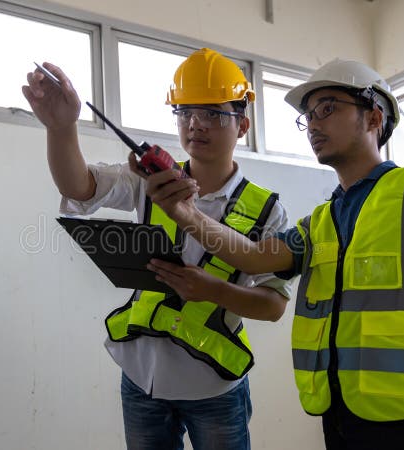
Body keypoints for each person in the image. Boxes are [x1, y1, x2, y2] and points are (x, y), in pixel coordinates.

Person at [139, 59, 404, 449]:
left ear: (374, 117)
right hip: (340, 408)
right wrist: (184, 212)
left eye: (328, 109)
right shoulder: (322, 220)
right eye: (308, 116)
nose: (313, 124)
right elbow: (255, 257)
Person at [21, 48, 292, 450]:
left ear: (243, 125)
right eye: (185, 112)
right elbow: (78, 186)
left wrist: (213, 290)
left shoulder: (268, 211)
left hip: (214, 386)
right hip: (141, 378)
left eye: (213, 113)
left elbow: (273, 306)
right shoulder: (149, 179)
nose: (195, 124)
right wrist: (61, 129)